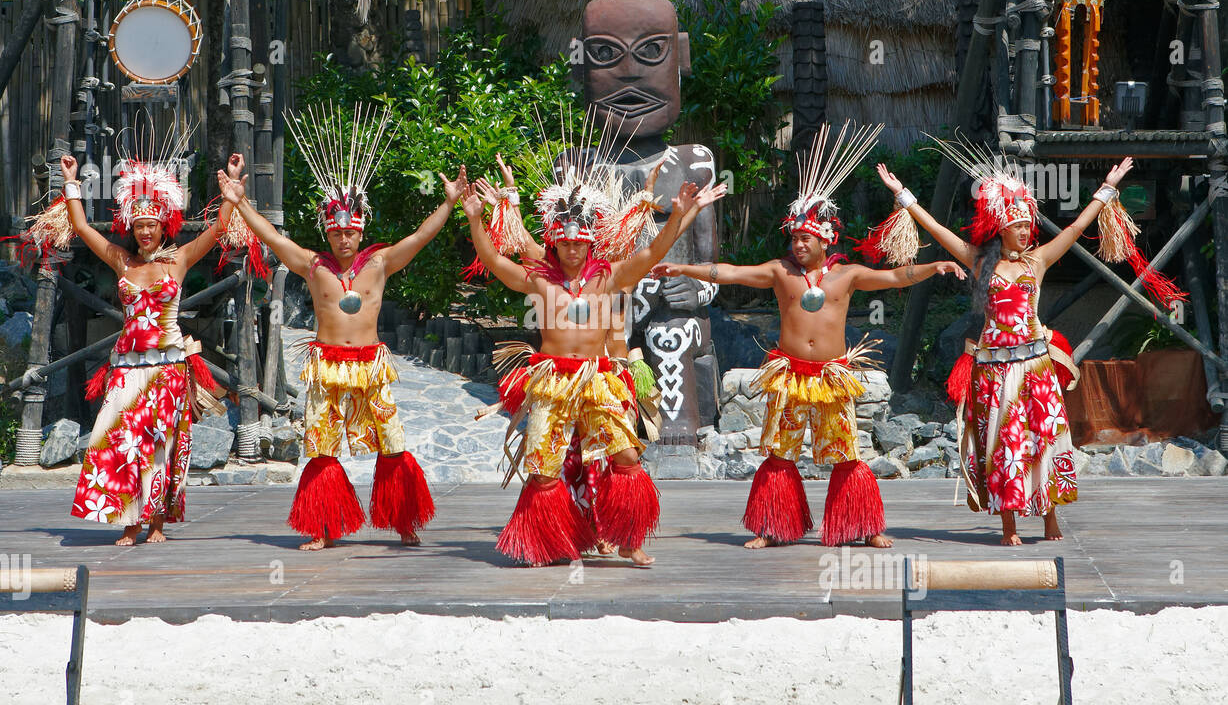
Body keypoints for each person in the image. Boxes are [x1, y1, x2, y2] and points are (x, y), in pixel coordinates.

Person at [656, 122, 967, 549]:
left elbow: (895, 277)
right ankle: (774, 527)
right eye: (795, 237)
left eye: (806, 237)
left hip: (831, 377)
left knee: (846, 453)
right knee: (780, 453)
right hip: (790, 374)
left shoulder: (847, 276)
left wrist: (934, 267)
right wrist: (682, 268)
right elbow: (726, 272)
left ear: (825, 239)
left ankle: (862, 526)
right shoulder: (779, 272)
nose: (798, 244)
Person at [875, 149, 1157, 545]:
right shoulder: (979, 262)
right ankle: (1009, 526)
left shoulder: (1037, 262)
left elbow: (1075, 229)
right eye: (1018, 226)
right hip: (995, 370)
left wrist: (1107, 190)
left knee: (1045, 439)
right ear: (1001, 229)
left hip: (1035, 367)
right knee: (1006, 444)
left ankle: (1050, 518)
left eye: (1028, 226)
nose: (1026, 232)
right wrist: (903, 195)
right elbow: (940, 232)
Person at [218, 106, 460, 550]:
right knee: (322, 446)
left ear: (361, 229)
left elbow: (421, 239)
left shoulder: (380, 262)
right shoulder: (313, 266)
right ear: (328, 232)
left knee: (392, 441)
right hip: (327, 366)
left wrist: (448, 203)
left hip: (370, 365)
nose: (343, 239)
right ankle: (324, 528)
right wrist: (240, 202)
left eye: (350, 233)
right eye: (336, 233)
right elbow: (272, 239)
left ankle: (404, 522)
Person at [463, 159, 725, 567]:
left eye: (580, 242)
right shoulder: (539, 280)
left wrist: (677, 214)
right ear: (554, 242)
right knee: (544, 470)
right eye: (565, 242)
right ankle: (547, 544)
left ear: (590, 242)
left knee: (626, 459)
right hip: (553, 380)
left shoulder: (611, 277)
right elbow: (495, 262)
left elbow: (654, 251)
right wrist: (476, 220)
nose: (572, 248)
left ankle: (628, 539)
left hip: (600, 379)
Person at [62, 150, 233, 545]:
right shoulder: (123, 262)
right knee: (115, 436)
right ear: (131, 228)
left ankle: (154, 522)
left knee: (159, 445)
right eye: (139, 225)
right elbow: (83, 227)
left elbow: (220, 228)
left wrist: (231, 191)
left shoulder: (179, 261)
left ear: (164, 226)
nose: (145, 232)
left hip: (167, 369)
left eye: (151, 225)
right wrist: (70, 181)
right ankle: (128, 519)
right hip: (125, 366)